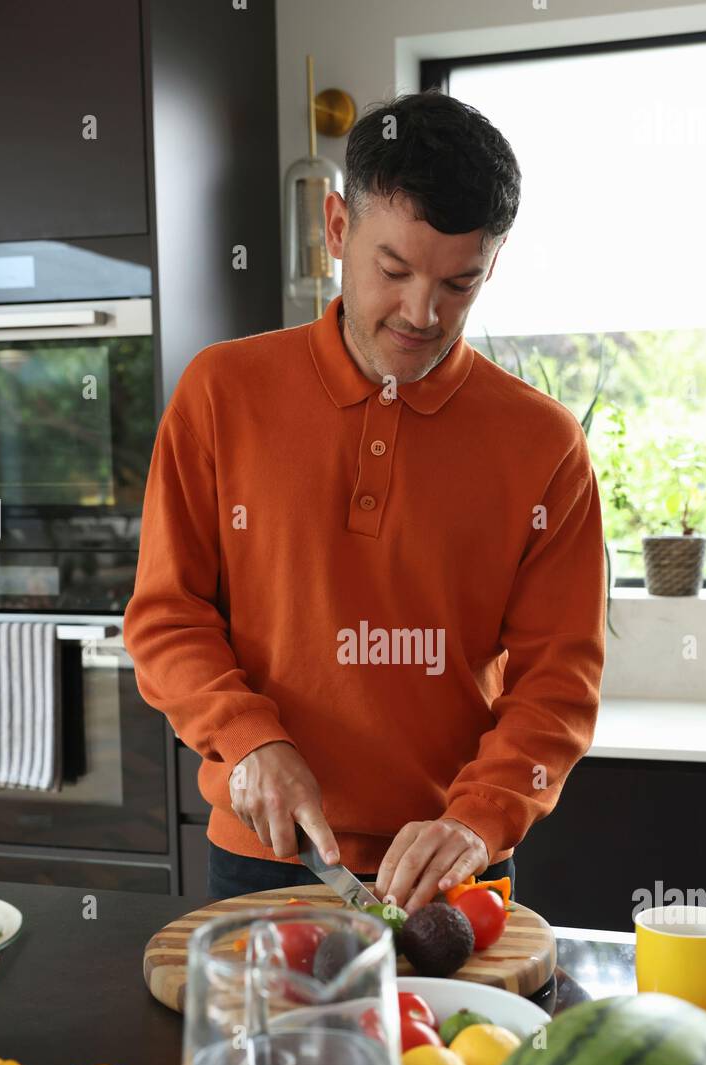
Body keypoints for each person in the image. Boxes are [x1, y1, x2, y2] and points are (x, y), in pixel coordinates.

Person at [122, 91, 605, 913]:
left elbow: (557, 680)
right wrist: (247, 741)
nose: (422, 314)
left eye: (458, 283)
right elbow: (168, 615)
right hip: (265, 854)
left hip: (455, 867)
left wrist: (478, 819)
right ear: (337, 227)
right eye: (394, 271)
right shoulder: (221, 392)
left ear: (492, 266)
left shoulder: (543, 443)